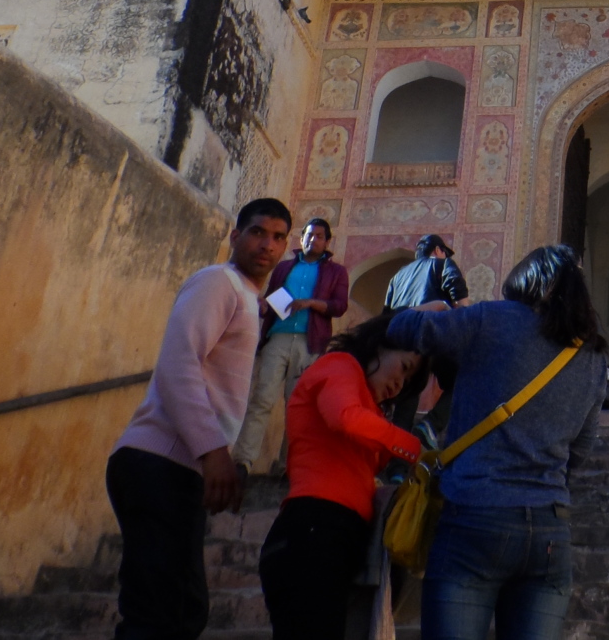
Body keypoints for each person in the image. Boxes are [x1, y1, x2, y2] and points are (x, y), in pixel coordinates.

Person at [386, 244, 607, 640]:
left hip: (474, 514)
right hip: (549, 530)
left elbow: (401, 327)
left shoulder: (491, 319)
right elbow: (581, 449)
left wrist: (436, 306)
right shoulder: (591, 355)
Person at [106, 198, 292, 640]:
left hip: (178, 467)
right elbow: (177, 363)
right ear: (235, 236)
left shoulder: (248, 298)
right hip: (160, 461)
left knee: (183, 610)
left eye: (278, 237)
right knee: (159, 615)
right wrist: (213, 451)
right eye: (257, 232)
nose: (267, 245)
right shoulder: (218, 282)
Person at [258, 313, 428, 640]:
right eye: (404, 368)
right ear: (380, 345)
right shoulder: (339, 366)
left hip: (335, 536)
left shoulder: (370, 410)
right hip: (313, 529)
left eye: (407, 383)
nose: (399, 385)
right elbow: (346, 418)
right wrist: (414, 449)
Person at [232, 217, 350, 477]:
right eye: (308, 235)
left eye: (319, 236)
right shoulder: (285, 268)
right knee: (262, 399)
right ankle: (243, 461)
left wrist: (309, 303)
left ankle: (291, 465)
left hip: (310, 342)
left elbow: (339, 306)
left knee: (297, 407)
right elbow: (273, 299)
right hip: (278, 338)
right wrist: (264, 306)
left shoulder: (335, 272)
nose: (313, 240)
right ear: (301, 239)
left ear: (327, 241)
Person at [384, 234, 469, 438]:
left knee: (406, 403)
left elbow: (386, 316)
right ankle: (431, 425)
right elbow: (459, 297)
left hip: (404, 342)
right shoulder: (440, 264)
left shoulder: (398, 276)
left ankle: (397, 465)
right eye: (444, 252)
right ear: (438, 250)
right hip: (433, 334)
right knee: (466, 379)